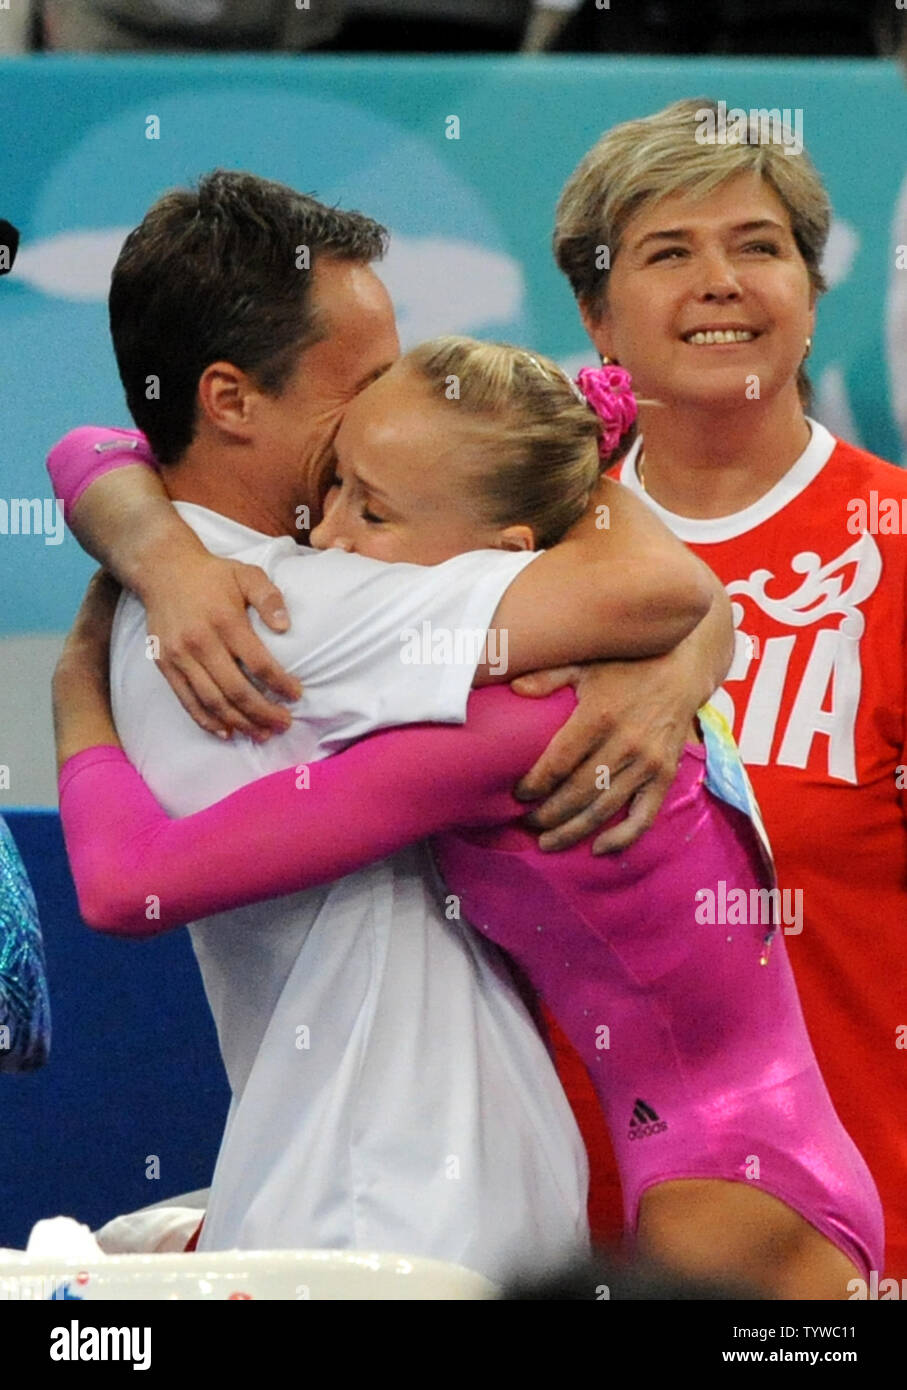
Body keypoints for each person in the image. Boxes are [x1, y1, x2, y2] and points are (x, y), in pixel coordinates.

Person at [51, 337, 883, 1298]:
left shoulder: (512, 721)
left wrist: (80, 686)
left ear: (505, 552)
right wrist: (156, 551)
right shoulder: (597, 641)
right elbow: (92, 448)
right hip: (757, 1157)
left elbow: (130, 883)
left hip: (732, 1189)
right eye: (333, 487)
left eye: (373, 510)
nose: (324, 538)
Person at [47, 170, 727, 1282]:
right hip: (398, 1217)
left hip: (378, 1202)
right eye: (362, 380)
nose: (393, 410)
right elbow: (659, 591)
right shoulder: (301, 606)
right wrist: (590, 461)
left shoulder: (198, 583)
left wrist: (136, 542)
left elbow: (93, 449)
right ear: (227, 399)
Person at [550, 95, 907, 1279]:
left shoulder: (895, 551)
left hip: (843, 1259)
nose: (721, 280)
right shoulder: (505, 563)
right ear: (597, 316)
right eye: (667, 251)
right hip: (556, 1243)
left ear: (809, 298)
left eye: (758, 246)